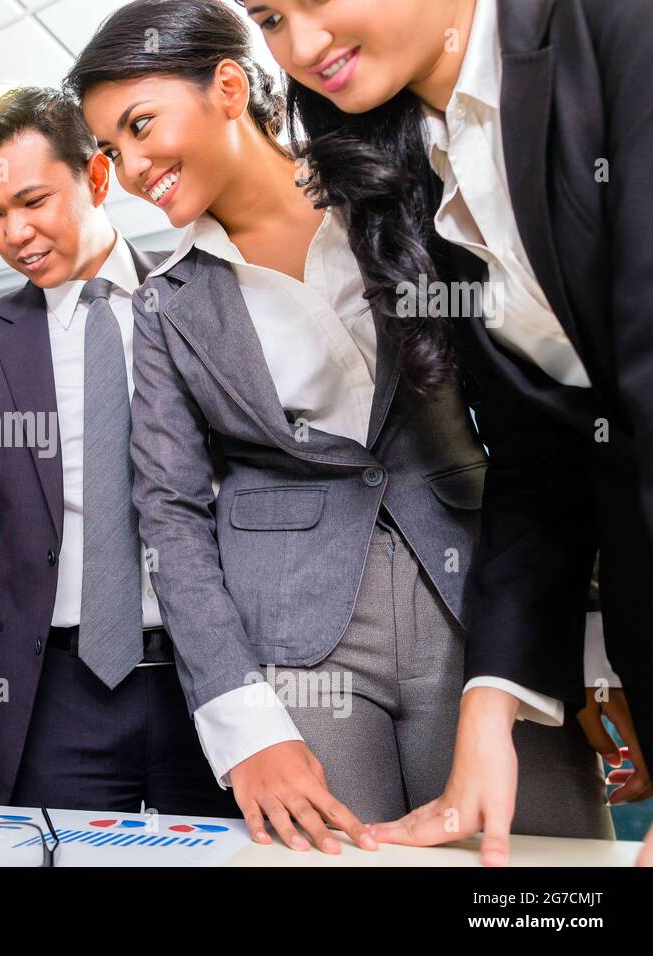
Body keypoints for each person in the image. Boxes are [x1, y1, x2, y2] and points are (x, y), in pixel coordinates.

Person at [66, 0, 610, 852]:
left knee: (535, 864)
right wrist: (248, 728)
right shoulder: (166, 308)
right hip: (296, 640)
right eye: (110, 151)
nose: (131, 168)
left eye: (140, 127)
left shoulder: (406, 189)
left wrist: (594, 651)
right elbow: (168, 515)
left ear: (229, 86)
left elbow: (537, 426)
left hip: (479, 596)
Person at [240, 0, 651, 865]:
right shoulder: (414, 176)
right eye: (269, 16)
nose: (303, 47)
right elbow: (540, 460)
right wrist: (489, 710)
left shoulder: (615, 27)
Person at [0, 87, 240, 818]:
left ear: (95, 179)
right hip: (58, 691)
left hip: (212, 674)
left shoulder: (202, 289)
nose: (15, 233)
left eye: (34, 201)